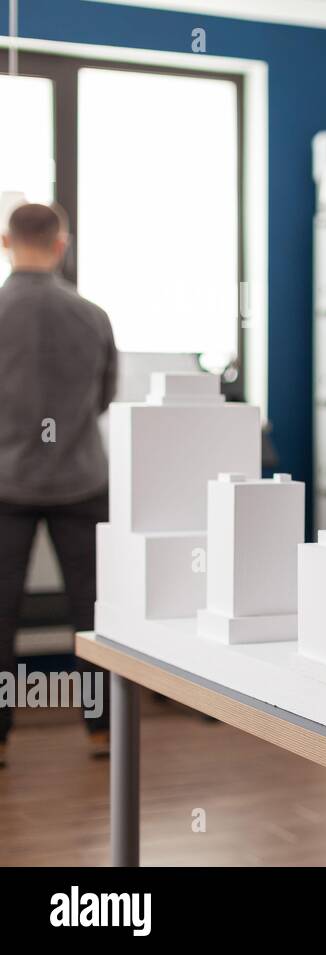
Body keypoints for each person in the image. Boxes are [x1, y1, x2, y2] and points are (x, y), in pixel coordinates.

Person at [0, 203, 118, 765]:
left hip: (7, 483)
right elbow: (102, 399)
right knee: (94, 612)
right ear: (60, 244)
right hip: (81, 480)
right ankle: (102, 730)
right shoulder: (93, 316)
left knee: (0, 614)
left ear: (6, 241)